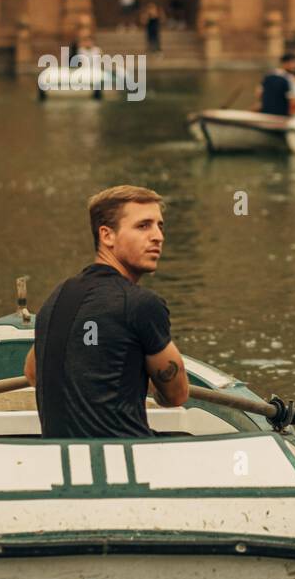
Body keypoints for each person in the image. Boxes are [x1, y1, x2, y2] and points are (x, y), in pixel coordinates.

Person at [23, 186, 190, 438]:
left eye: (160, 226)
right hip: (126, 454)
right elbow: (176, 395)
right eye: (143, 226)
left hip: (58, 456)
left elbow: (33, 372)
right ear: (107, 235)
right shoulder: (142, 304)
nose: (158, 236)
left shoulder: (57, 296)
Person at [255, 52, 295, 116]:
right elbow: (292, 101)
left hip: (265, 111)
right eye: (294, 63)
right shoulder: (289, 78)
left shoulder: (269, 74)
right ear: (286, 63)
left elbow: (259, 93)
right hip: (281, 114)